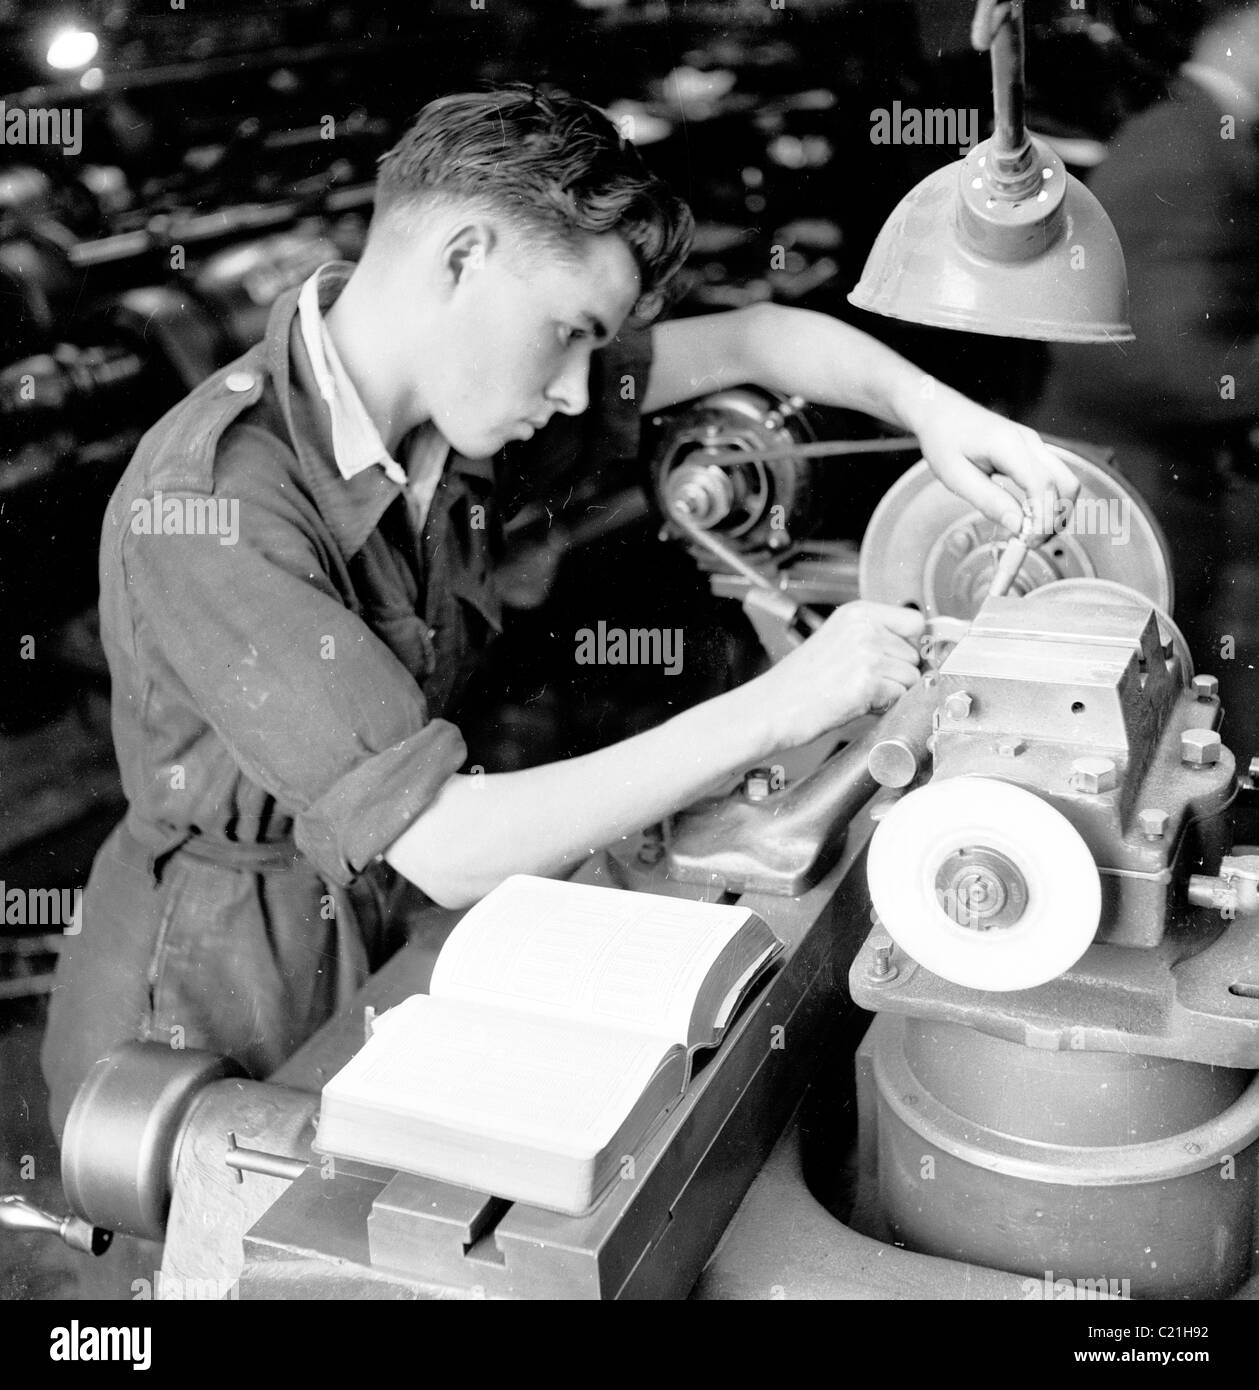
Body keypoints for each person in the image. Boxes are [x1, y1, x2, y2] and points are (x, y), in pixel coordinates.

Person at [41, 85, 1076, 1139]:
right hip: (213, 980)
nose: (586, 392)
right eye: (572, 333)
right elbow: (445, 843)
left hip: (366, 912)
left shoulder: (459, 410)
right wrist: (787, 702)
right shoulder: (214, 504)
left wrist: (939, 415)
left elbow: (760, 338)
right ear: (461, 260)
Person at [1030, 2, 1259, 755]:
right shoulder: (1185, 145)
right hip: (1134, 486)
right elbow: (1153, 361)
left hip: (1160, 479)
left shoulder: (1194, 133)